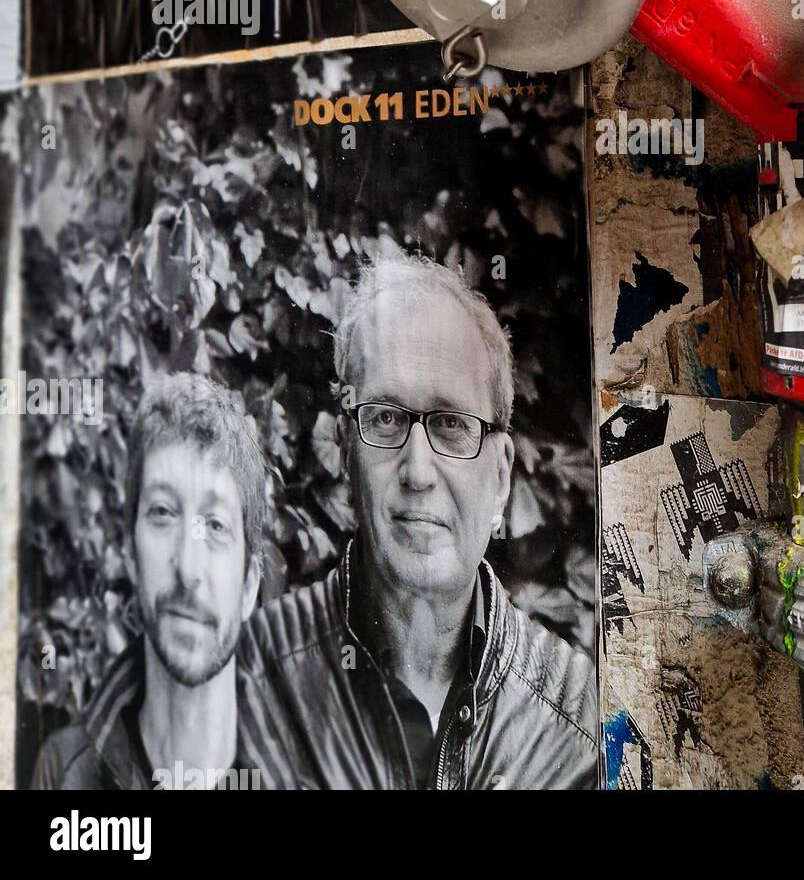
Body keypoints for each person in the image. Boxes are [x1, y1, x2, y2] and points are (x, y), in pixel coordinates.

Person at [243, 251, 598, 789]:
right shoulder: (253, 680)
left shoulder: (580, 725)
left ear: (500, 476)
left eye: (452, 424)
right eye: (385, 418)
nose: (417, 470)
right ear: (345, 453)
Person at [32, 373, 291, 789]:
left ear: (248, 589)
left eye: (216, 524)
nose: (188, 569)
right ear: (131, 556)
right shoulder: (65, 773)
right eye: (163, 513)